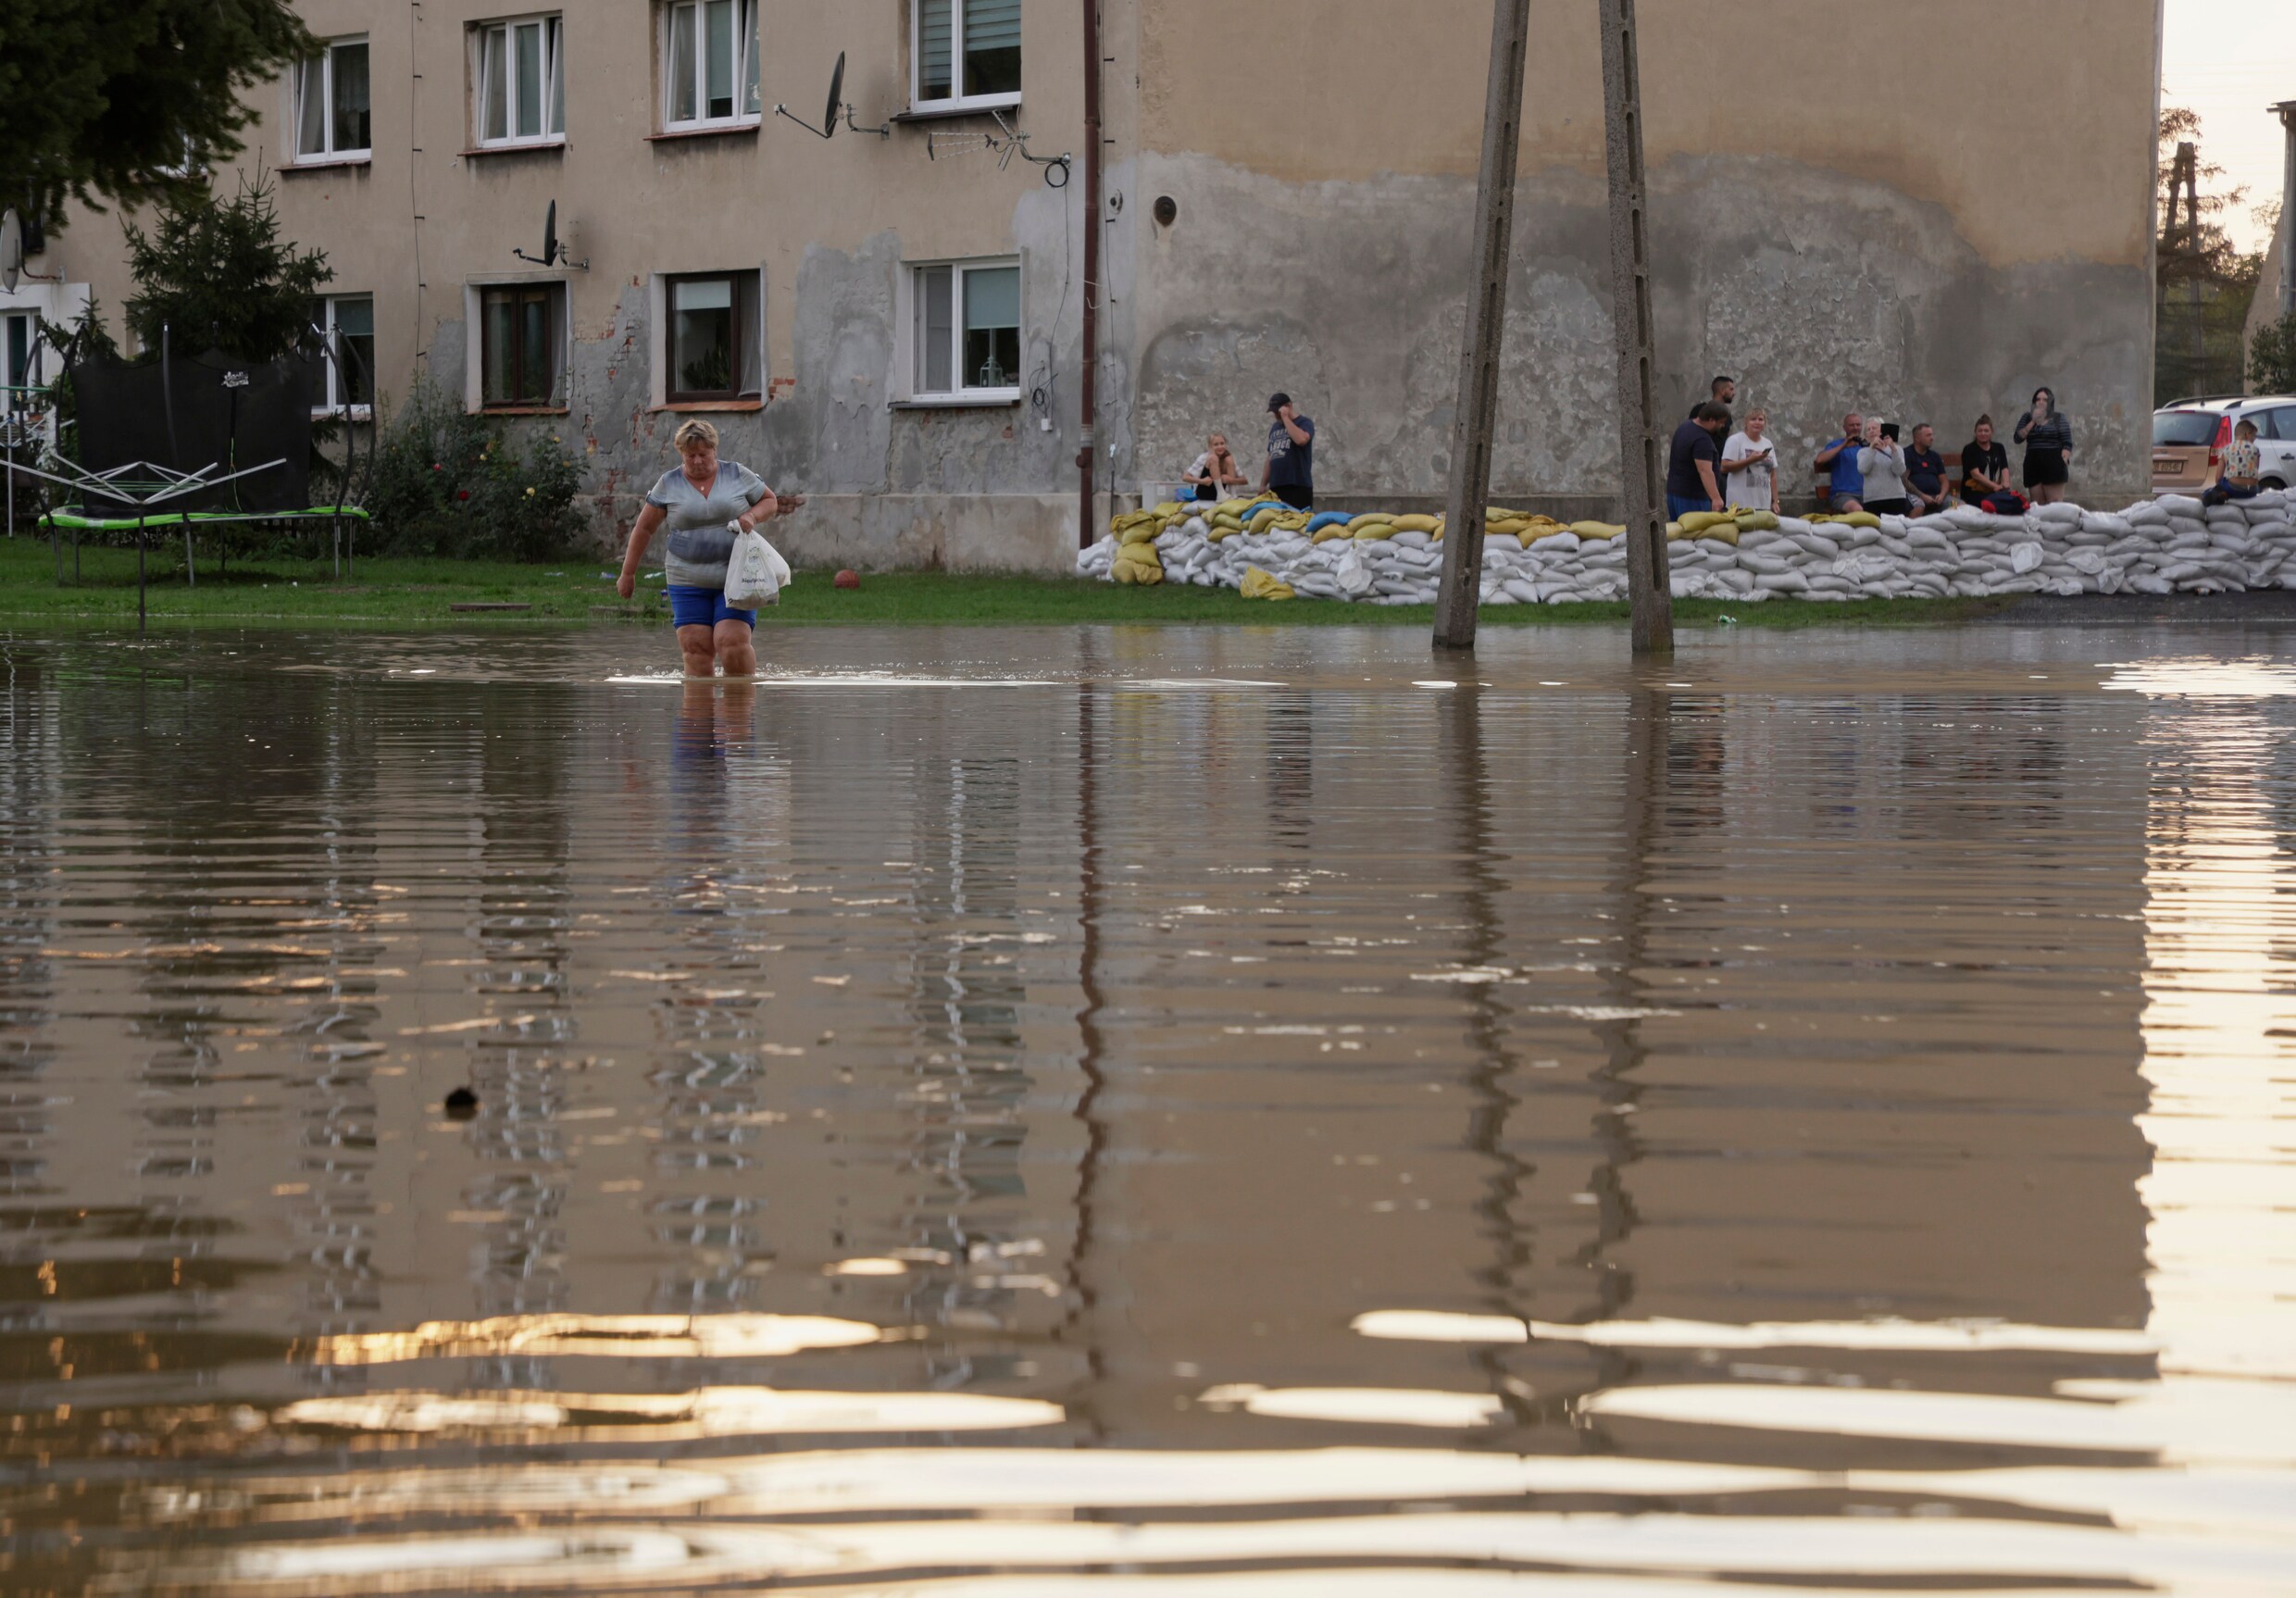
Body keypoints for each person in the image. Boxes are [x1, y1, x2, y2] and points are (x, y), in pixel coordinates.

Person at [618, 418, 803, 680]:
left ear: (714, 450)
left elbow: (769, 501)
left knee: (732, 643)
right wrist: (628, 573)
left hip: (736, 576)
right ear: (681, 453)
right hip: (686, 579)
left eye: (703, 454)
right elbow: (644, 529)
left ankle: (737, 712)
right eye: (689, 455)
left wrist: (752, 516)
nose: (696, 461)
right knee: (696, 648)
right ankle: (699, 716)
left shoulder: (737, 474)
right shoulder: (668, 483)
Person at [1666, 402, 1728, 519]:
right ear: (1711, 420)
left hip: (1674, 493)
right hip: (1692, 498)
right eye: (1721, 422)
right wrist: (1716, 498)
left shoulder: (1685, 427)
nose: (1723, 426)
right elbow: (1705, 471)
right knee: (1696, 536)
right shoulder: (1702, 440)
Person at [2014, 386, 2073, 505]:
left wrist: (2063, 459)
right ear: (2034, 402)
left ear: (2050, 402)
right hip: (2033, 465)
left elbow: (2067, 442)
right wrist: (2033, 421)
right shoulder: (2027, 417)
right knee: (2037, 505)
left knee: (2054, 505)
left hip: (2053, 465)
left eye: (2045, 400)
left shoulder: (2058, 418)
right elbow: (2017, 438)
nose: (2041, 402)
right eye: (2038, 399)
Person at [1720, 406, 1780, 512]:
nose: (1757, 422)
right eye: (1753, 419)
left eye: (1760, 419)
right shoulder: (1735, 440)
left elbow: (1773, 475)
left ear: (1765, 423)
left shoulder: (1768, 443)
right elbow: (1724, 467)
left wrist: (1775, 501)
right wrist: (1750, 460)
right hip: (1739, 504)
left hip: (1763, 505)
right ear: (1746, 422)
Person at [1261, 393, 1316, 509]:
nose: (1276, 415)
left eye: (1278, 411)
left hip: (1297, 484)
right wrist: (1263, 485)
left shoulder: (1304, 422)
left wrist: (1285, 418)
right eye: (1274, 412)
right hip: (1276, 485)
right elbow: (1271, 455)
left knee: (1298, 522)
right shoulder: (1275, 427)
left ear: (1288, 406)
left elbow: (1301, 440)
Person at [2203, 418, 2263, 506]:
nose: (2254, 439)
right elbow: (2255, 470)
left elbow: (2218, 478)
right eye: (2254, 436)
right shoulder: (2256, 449)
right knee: (2258, 488)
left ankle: (2223, 494)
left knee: (2210, 490)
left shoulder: (2226, 449)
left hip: (2233, 488)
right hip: (2252, 490)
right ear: (2247, 434)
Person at [1856, 419, 1911, 516]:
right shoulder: (1863, 452)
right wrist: (1872, 448)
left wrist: (1893, 448)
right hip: (1873, 498)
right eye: (1868, 429)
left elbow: (1900, 471)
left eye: (1875, 428)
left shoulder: (1897, 449)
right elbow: (1863, 469)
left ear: (1883, 430)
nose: (1872, 431)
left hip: (1896, 497)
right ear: (1866, 436)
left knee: (1897, 528)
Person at [1815, 412, 1865, 512]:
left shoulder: (1865, 446)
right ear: (1844, 428)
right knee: (1857, 509)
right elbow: (1819, 459)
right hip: (1842, 495)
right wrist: (1844, 446)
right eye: (1852, 425)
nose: (1855, 428)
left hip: (1866, 495)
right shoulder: (1836, 445)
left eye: (1858, 425)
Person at [1959, 415, 2010, 504]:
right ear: (1975, 432)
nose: (1983, 433)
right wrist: (1995, 486)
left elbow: (2004, 468)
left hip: (1996, 490)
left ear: (1992, 432)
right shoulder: (1969, 449)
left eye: (1986, 431)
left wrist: (2006, 482)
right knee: (1994, 504)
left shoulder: (1999, 447)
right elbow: (1976, 475)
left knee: (2012, 502)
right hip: (1975, 491)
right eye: (1980, 431)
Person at [1184, 432, 1247, 502]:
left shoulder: (1228, 459)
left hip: (1219, 492)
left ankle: (1233, 495)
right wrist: (1202, 481)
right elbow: (1185, 477)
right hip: (1204, 491)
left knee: (1229, 458)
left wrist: (1231, 480)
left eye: (1222, 443)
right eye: (1216, 445)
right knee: (1213, 458)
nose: (1220, 447)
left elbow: (1244, 481)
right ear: (1210, 447)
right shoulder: (1204, 458)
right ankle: (1221, 495)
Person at [1903, 422, 1951, 515]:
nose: (1932, 438)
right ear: (1917, 438)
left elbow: (1945, 481)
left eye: (1932, 435)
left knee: (1961, 506)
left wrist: (1942, 495)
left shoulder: (1935, 456)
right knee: (1918, 507)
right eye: (1928, 435)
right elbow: (1904, 480)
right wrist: (1922, 496)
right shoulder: (1907, 454)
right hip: (1916, 496)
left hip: (1938, 498)